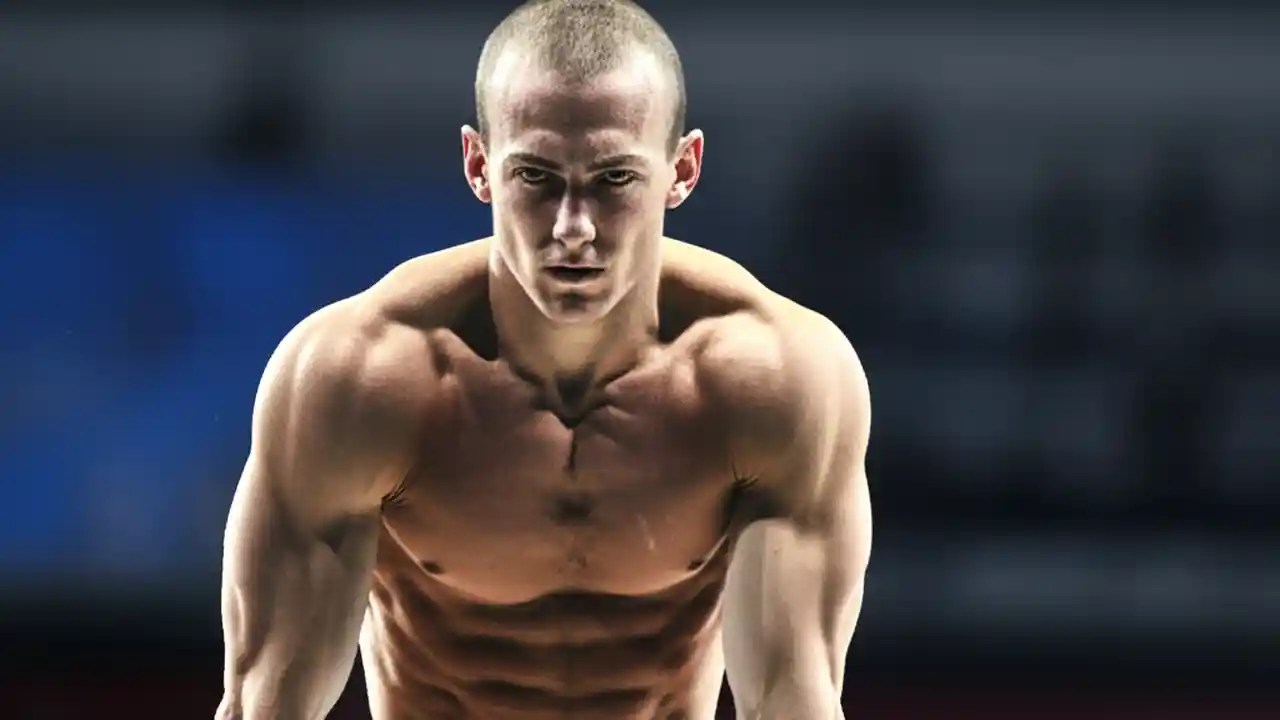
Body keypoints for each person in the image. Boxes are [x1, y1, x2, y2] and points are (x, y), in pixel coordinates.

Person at [215, 1, 873, 718]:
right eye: (536, 177)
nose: (573, 227)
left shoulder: (773, 382)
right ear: (479, 166)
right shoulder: (358, 381)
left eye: (614, 180)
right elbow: (265, 704)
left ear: (682, 170)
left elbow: (790, 698)